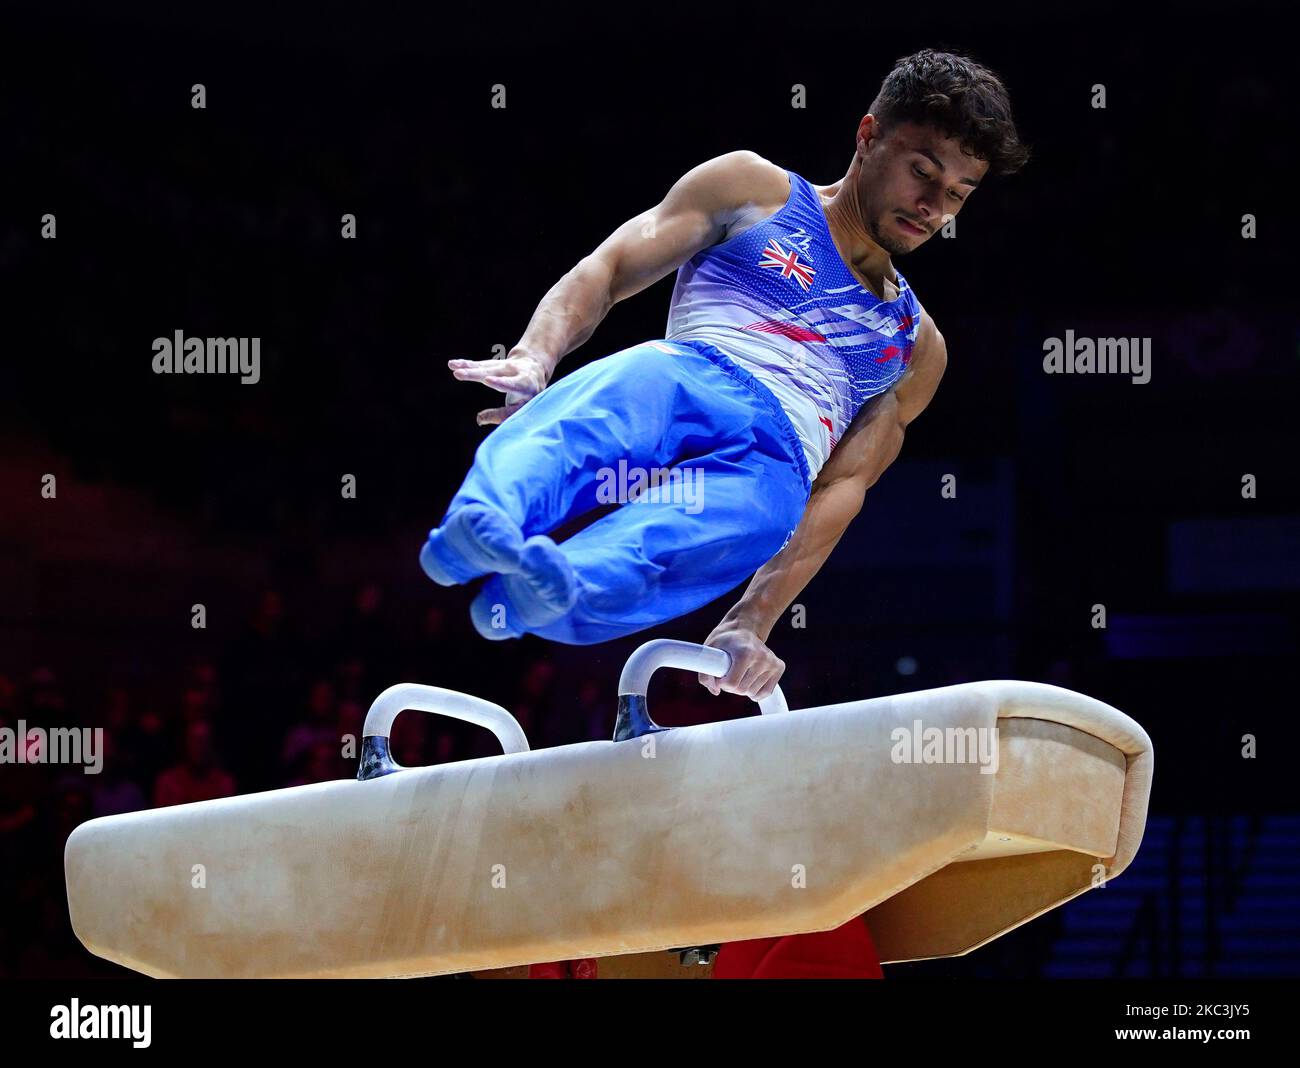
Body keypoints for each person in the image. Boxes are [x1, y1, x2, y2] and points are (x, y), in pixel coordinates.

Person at [422, 48, 1027, 707]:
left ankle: (543, 594)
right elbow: (611, 267)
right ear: (869, 134)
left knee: (747, 519)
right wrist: (538, 354)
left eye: (957, 195)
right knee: (620, 395)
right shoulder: (756, 191)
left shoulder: (916, 346)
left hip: (777, 466)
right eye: (922, 172)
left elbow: (840, 490)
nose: (933, 207)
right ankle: (478, 524)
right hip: (693, 378)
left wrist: (751, 621)